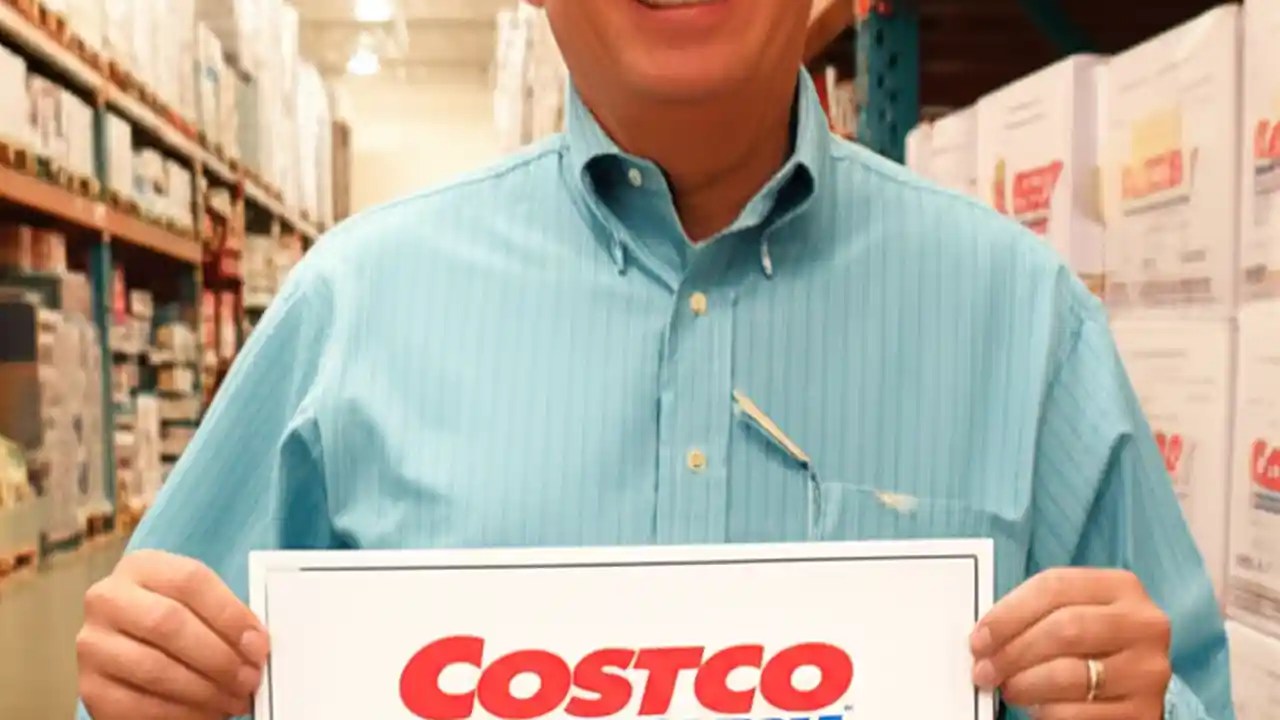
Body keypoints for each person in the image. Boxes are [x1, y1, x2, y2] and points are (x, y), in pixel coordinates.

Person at [75, 1, 1233, 719]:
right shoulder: (351, 309)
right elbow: (163, 681)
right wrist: (148, 693)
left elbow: (1184, 699)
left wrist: (1138, 710)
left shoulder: (1023, 324)